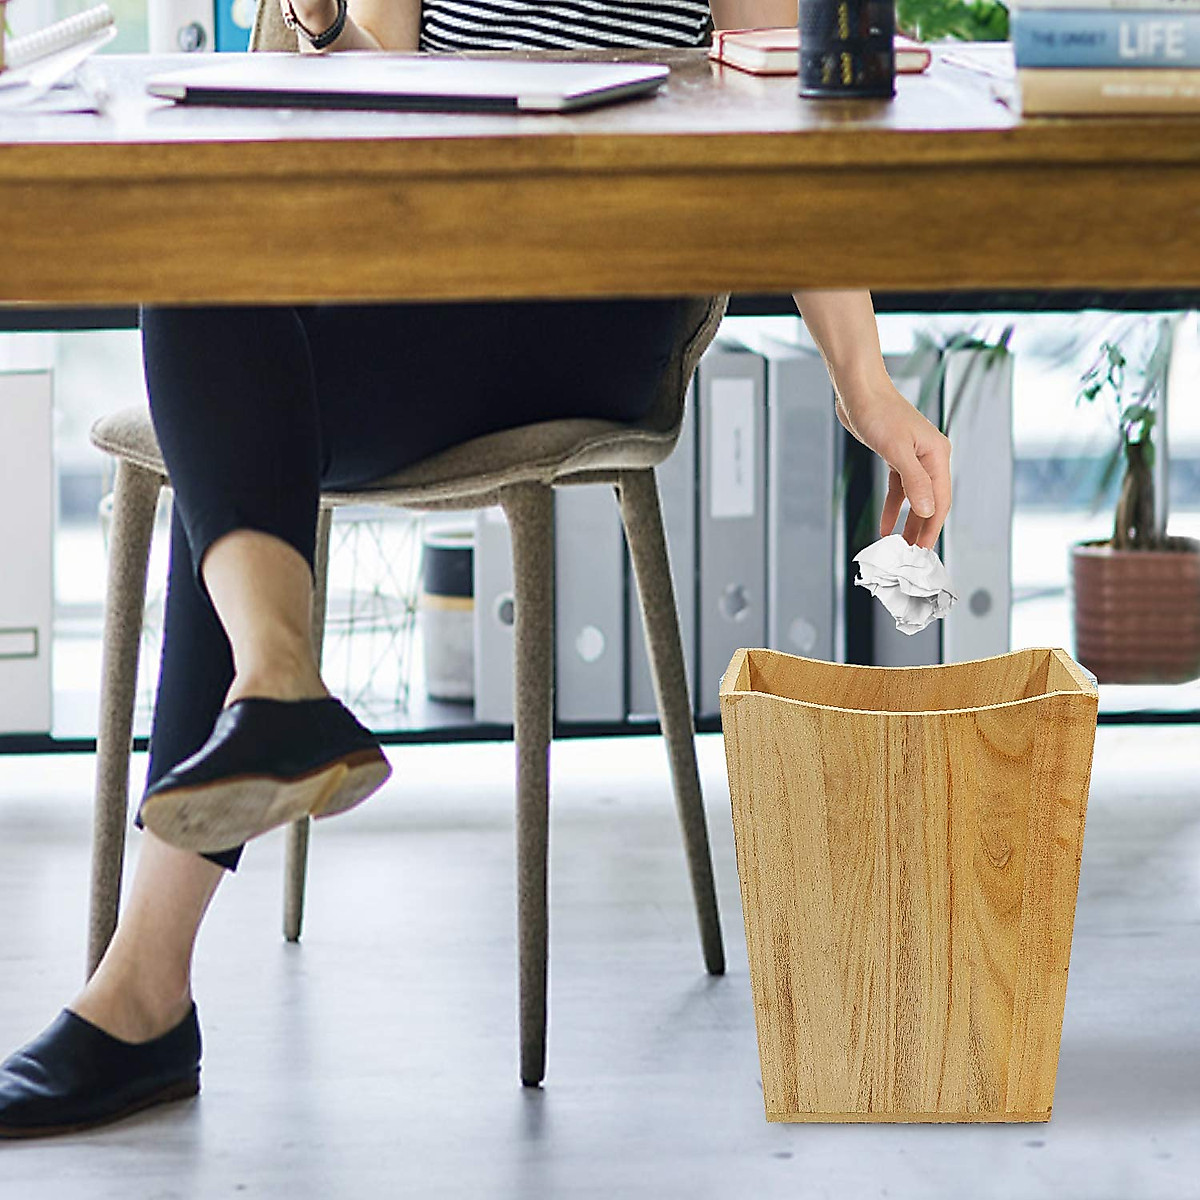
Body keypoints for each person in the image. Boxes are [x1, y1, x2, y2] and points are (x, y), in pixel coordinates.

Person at [0, 0, 951, 1139]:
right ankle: (277, 691)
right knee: (203, 264)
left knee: (244, 433)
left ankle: (147, 988)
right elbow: (371, 86)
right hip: (424, 262)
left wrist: (866, 384)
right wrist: (319, 21)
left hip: (599, 297)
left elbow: (788, 104)